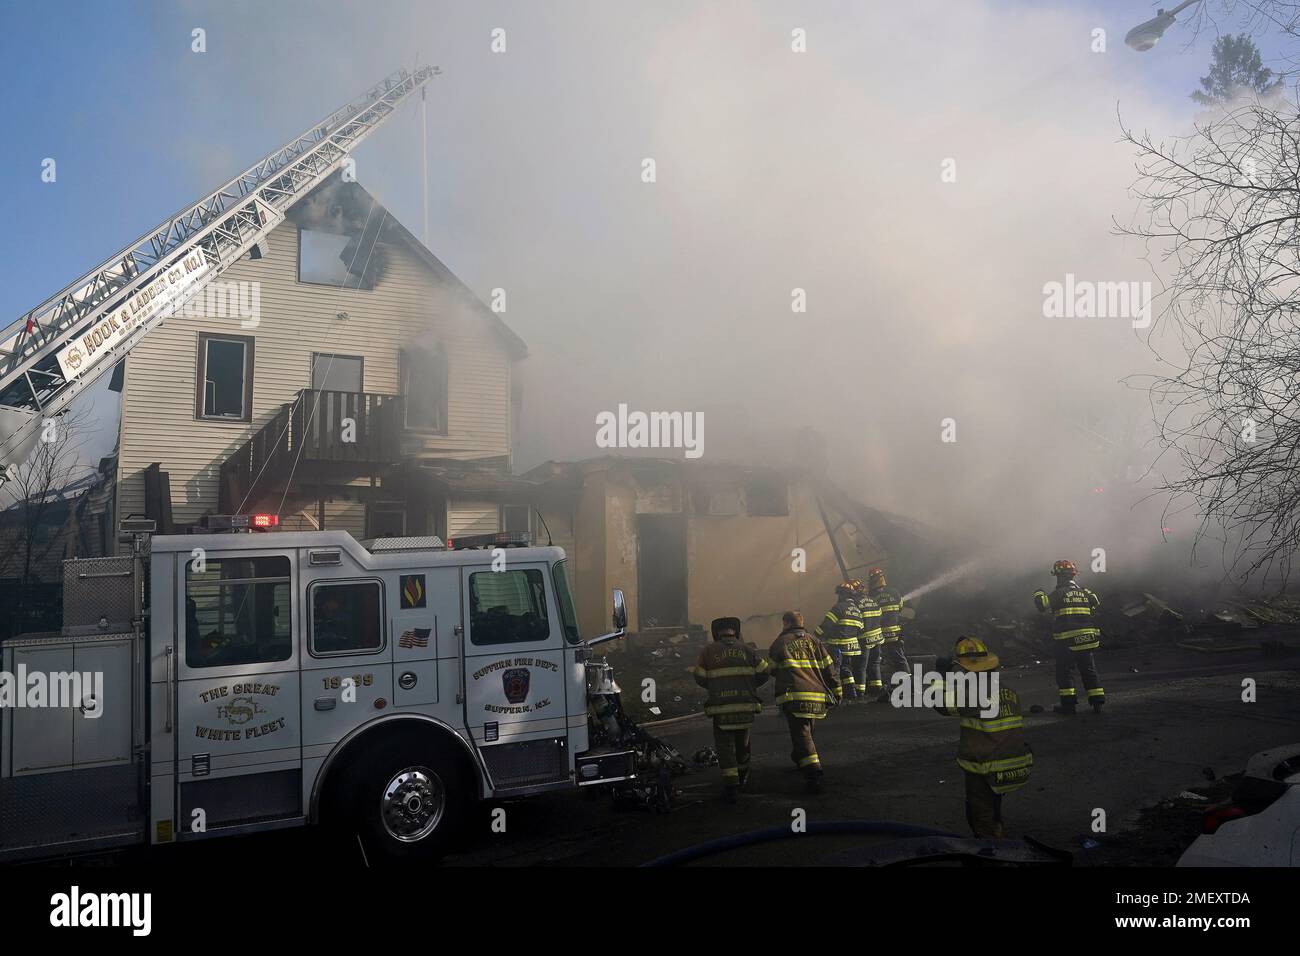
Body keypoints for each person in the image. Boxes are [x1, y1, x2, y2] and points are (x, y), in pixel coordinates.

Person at [934, 636, 1033, 838]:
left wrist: (941, 676)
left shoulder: (973, 693)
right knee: (994, 804)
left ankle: (992, 852)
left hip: (985, 766)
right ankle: (998, 830)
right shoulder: (1008, 690)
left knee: (980, 816)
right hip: (1014, 763)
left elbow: (941, 704)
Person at [692, 616, 771, 802]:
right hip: (745, 706)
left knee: (725, 747)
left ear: (717, 633)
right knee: (743, 744)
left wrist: (715, 686)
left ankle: (731, 785)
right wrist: (750, 685)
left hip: (721, 709)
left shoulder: (708, 652)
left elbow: (699, 676)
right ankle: (743, 776)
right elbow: (765, 672)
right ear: (735, 631)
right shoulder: (748, 650)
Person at [769, 610, 842, 793]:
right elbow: (829, 669)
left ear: (785, 623)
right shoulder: (815, 642)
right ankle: (799, 757)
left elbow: (770, 669)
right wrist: (838, 691)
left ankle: (813, 772)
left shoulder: (780, 643)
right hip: (817, 697)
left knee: (802, 733)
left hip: (794, 696)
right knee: (807, 731)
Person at [1033, 559, 1106, 714]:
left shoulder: (1059, 593)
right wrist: (1084, 593)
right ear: (1074, 575)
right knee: (1089, 670)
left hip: (1067, 641)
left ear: (1058, 577)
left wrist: (1038, 592)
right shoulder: (1085, 592)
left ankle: (1068, 705)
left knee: (1065, 672)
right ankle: (1097, 702)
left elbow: (1042, 605)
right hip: (1087, 639)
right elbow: (1095, 601)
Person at [814, 582, 864, 699]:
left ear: (843, 595)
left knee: (834, 671)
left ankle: (836, 696)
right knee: (846, 669)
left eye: (839, 595)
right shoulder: (857, 610)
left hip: (838, 646)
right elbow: (861, 629)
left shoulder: (838, 608)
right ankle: (851, 694)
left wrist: (815, 635)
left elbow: (826, 625)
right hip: (853, 647)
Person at [867, 567, 909, 684]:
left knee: (876, 660)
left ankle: (879, 684)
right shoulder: (895, 592)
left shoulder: (871, 597)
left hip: (879, 635)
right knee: (899, 659)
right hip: (895, 633)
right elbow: (900, 608)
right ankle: (907, 683)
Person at [853, 580, 886, 701]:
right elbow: (880, 617)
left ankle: (860, 691)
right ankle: (877, 688)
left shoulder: (855, 604)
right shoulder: (873, 601)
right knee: (875, 663)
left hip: (864, 639)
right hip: (877, 638)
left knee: (861, 666)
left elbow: (854, 621)